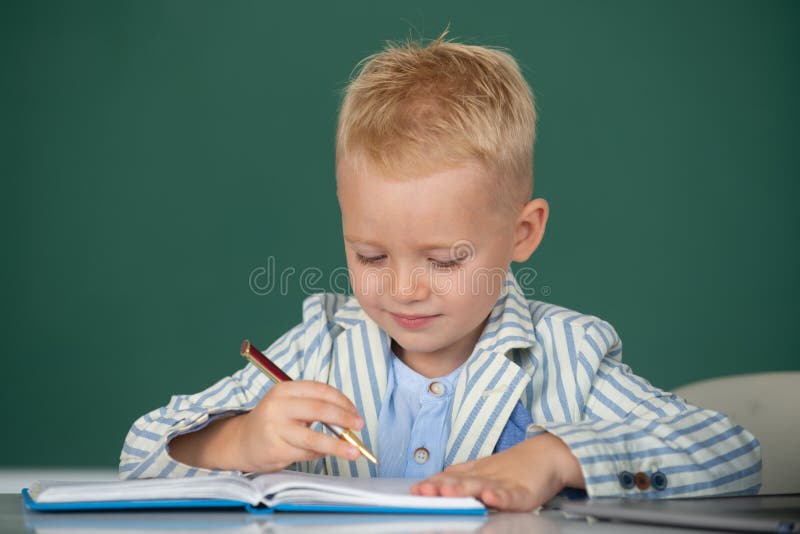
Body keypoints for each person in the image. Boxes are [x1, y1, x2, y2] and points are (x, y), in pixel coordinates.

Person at [120, 28, 761, 512]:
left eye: (446, 259)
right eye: (370, 256)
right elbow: (139, 453)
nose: (403, 288)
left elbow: (734, 452)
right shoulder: (321, 348)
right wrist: (240, 443)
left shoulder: (569, 358)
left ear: (522, 233)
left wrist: (556, 457)